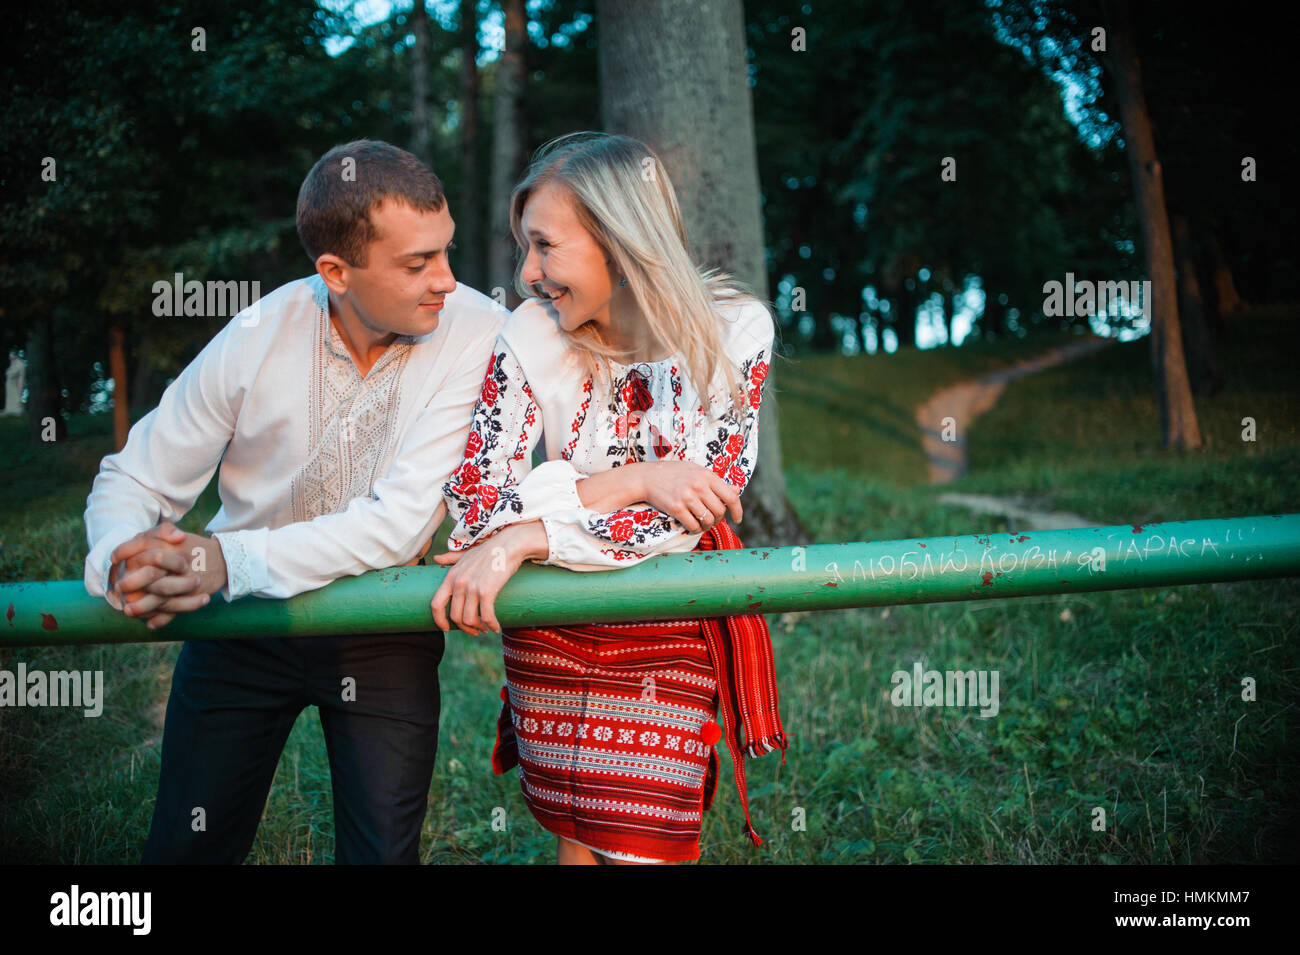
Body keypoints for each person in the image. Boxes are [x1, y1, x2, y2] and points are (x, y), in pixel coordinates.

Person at [82, 139, 506, 864]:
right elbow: (137, 477)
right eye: (417, 263)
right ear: (336, 272)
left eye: (446, 251)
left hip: (384, 615)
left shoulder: (481, 331)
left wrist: (222, 560)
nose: (447, 280)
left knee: (381, 858)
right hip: (241, 626)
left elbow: (398, 521)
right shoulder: (258, 331)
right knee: (186, 852)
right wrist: (125, 559)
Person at [429, 131, 788, 865]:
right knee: (573, 820)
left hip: (664, 606)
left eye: (544, 246)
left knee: (641, 834)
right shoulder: (533, 333)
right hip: (557, 612)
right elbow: (473, 506)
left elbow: (693, 517)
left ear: (620, 245)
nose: (528, 272)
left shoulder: (733, 330)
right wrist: (636, 479)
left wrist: (529, 535)